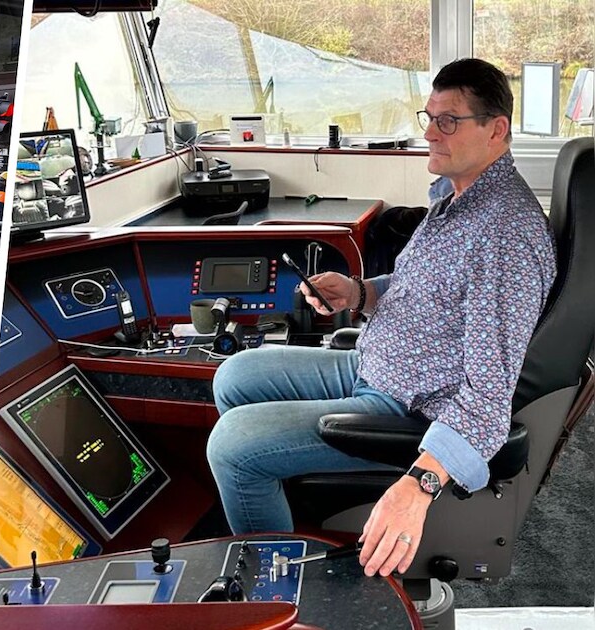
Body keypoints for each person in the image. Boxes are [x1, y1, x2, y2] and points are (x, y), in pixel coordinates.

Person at [205, 58, 555, 579]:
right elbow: (423, 291)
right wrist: (358, 292)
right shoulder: (457, 198)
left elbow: (487, 395)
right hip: (376, 361)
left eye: (448, 121)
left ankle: (283, 591)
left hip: (410, 405)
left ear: (496, 130)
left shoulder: (505, 236)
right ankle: (288, 518)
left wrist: (419, 486)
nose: (429, 133)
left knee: (231, 446)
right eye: (429, 116)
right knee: (234, 375)